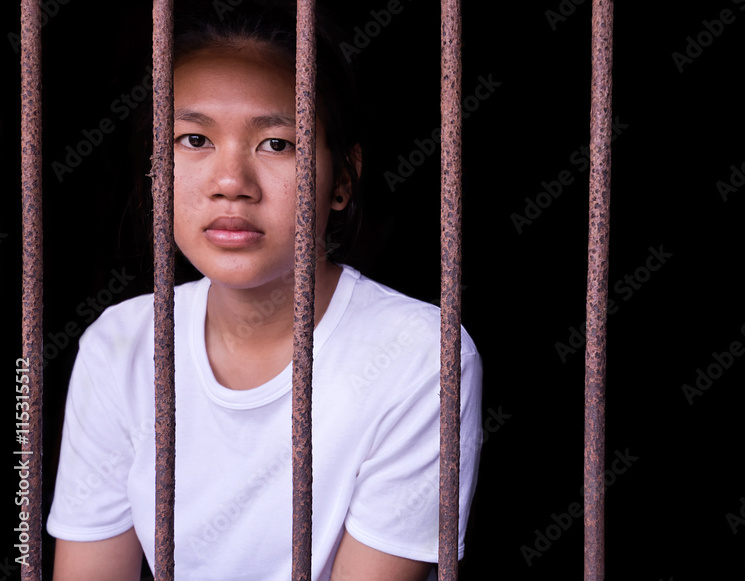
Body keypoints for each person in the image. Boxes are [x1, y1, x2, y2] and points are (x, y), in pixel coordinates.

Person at [45, 2, 482, 579]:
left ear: (342, 180)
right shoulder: (121, 343)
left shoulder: (421, 358)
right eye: (193, 139)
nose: (231, 183)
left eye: (278, 143)